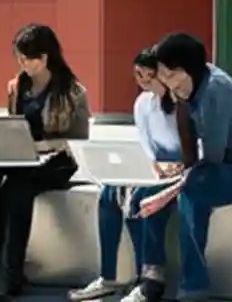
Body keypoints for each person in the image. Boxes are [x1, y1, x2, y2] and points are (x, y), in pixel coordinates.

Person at [0, 24, 91, 302]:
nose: (23, 64)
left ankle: (10, 272)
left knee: (17, 189)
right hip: (23, 155)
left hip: (56, 159)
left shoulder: (72, 91)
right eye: (20, 58)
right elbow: (14, 126)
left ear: (46, 57)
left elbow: (79, 137)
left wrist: (43, 146)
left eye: (29, 59)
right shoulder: (17, 87)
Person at [137, 32, 232, 302]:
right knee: (150, 194)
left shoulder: (214, 90)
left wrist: (176, 188)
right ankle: (151, 276)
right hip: (216, 168)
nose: (166, 82)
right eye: (162, 76)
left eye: (170, 75)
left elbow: (213, 157)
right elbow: (190, 148)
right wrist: (172, 181)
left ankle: (193, 287)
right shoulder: (187, 88)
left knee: (191, 192)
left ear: (187, 69)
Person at [68, 49, 187, 302]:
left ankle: (150, 277)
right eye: (138, 76)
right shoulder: (143, 103)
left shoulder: (181, 104)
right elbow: (146, 142)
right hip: (157, 168)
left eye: (149, 76)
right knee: (109, 192)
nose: (144, 82)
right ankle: (108, 276)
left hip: (182, 170)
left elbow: (194, 144)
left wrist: (176, 166)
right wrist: (153, 163)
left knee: (142, 196)